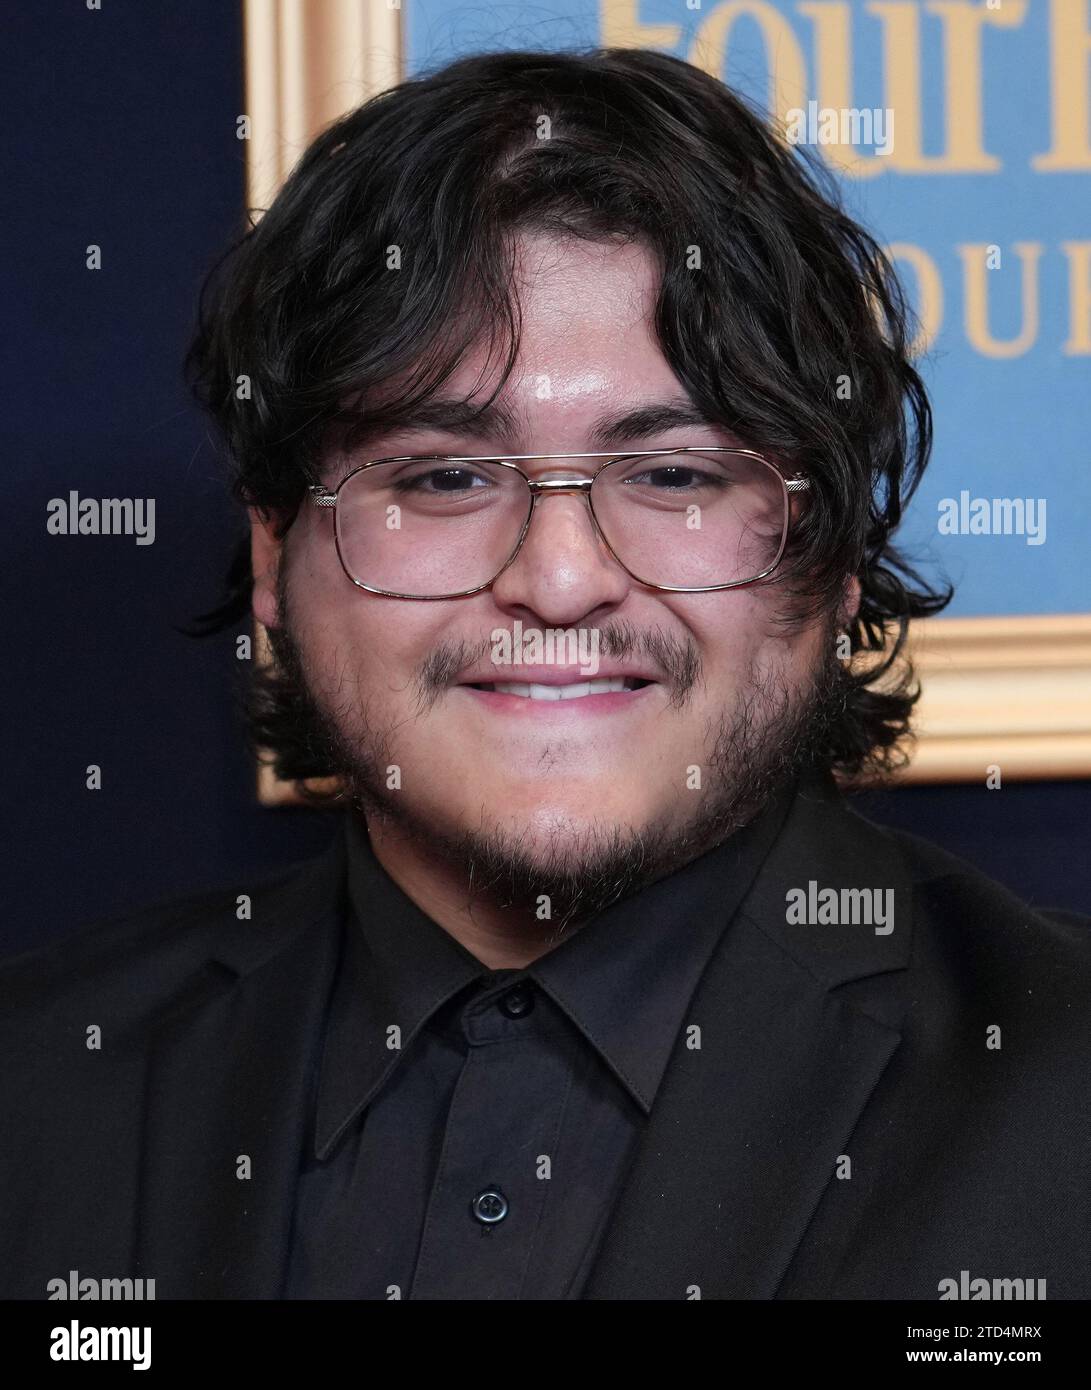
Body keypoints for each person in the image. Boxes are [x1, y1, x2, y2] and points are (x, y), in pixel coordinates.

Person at [3, 47, 1088, 1301]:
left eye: (672, 475)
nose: (559, 577)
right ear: (271, 559)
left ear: (833, 557)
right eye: (445, 477)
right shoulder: (35, 1085)